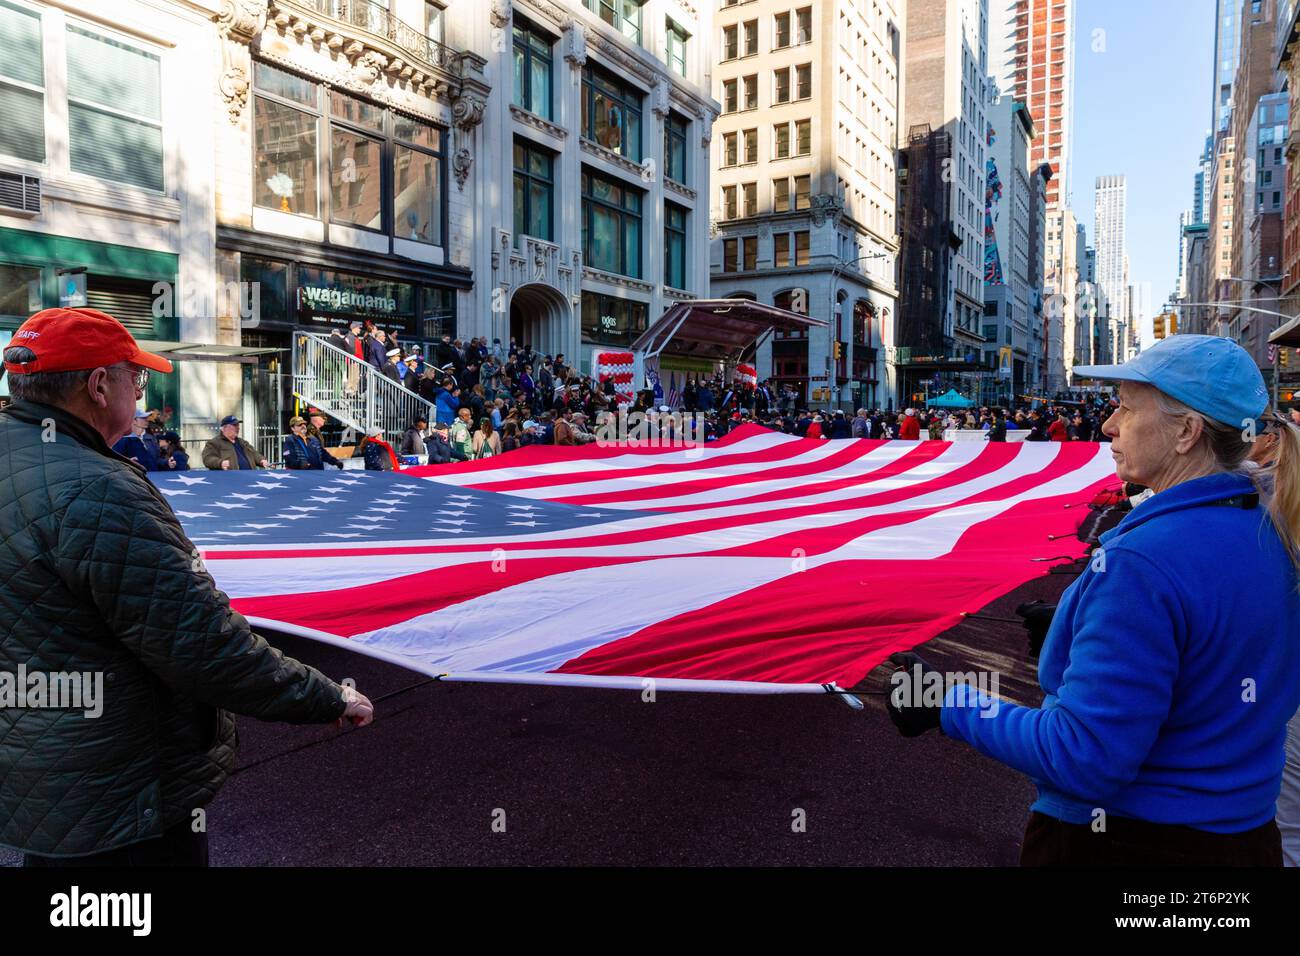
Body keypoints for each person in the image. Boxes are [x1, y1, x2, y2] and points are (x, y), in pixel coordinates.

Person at [885, 334, 1300, 866]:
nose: (1108, 424)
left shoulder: (1145, 562)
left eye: (1126, 406)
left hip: (1125, 843)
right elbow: (1215, 654)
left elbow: (1083, 756)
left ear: (1186, 433)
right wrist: (1083, 627)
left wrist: (946, 702)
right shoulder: (1274, 528)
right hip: (1245, 839)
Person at [0, 307, 373, 866]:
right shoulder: (98, 491)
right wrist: (325, 695)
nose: (140, 395)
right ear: (98, 386)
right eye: (135, 379)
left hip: (40, 783)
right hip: (123, 798)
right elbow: (200, 642)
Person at [202, 415, 268, 470]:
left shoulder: (243, 442)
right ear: (224, 428)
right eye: (234, 425)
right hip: (230, 478)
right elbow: (207, 458)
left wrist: (261, 460)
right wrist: (220, 463)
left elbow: (254, 453)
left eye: (238, 425)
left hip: (250, 476)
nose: (238, 428)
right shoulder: (214, 443)